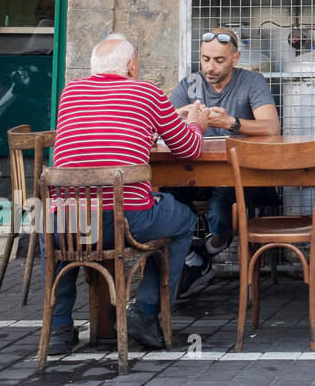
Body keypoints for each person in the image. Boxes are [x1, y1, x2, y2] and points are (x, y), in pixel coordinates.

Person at [46, 35, 209, 354]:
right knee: (183, 219)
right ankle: (146, 312)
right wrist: (197, 123)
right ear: (132, 66)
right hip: (124, 221)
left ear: (93, 68)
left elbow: (96, 136)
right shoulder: (147, 91)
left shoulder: (70, 92)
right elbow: (188, 148)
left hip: (66, 223)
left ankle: (59, 328)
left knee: (54, 228)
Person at [169, 28, 280, 298]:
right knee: (170, 196)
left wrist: (230, 122)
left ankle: (206, 249)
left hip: (239, 172)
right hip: (194, 169)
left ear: (235, 58)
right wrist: (183, 116)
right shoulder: (189, 84)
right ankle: (184, 258)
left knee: (221, 207)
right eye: (205, 59)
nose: (210, 67)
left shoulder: (251, 81)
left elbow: (272, 127)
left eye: (219, 60)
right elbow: (164, 125)